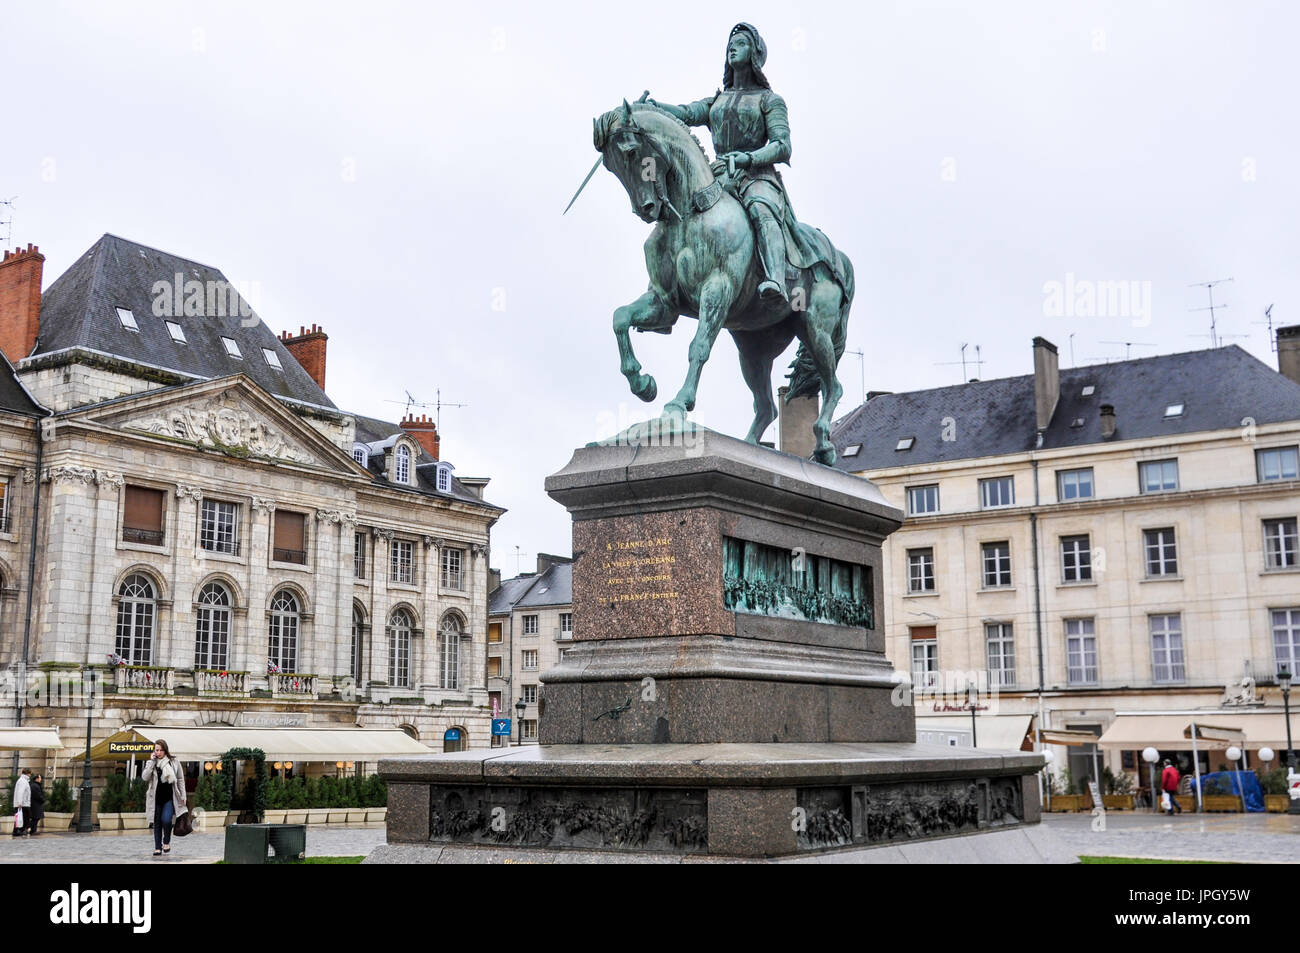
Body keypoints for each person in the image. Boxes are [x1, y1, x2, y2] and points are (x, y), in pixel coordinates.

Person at [649, 23, 804, 306]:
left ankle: (777, 279)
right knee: (680, 212)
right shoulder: (719, 100)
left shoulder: (770, 100)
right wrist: (655, 107)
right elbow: (686, 113)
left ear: (755, 55)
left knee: (761, 209)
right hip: (718, 176)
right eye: (731, 44)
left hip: (756, 176)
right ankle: (661, 290)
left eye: (741, 43)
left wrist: (749, 158)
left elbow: (783, 145)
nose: (733, 47)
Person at [141, 739, 187, 856]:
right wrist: (151, 762)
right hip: (155, 798)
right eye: (157, 750)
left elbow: (180, 779)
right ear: (154, 751)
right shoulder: (151, 763)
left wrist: (183, 795)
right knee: (157, 823)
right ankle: (158, 847)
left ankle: (166, 841)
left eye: (161, 750)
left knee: (166, 820)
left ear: (165, 750)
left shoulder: (174, 762)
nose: (159, 752)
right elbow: (145, 777)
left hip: (170, 798)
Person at [10, 768, 31, 837]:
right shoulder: (23, 781)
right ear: (28, 773)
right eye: (30, 773)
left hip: (22, 803)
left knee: (19, 817)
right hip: (23, 804)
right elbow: (20, 792)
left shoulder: (22, 780)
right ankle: (20, 830)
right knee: (24, 818)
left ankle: (16, 831)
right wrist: (20, 803)